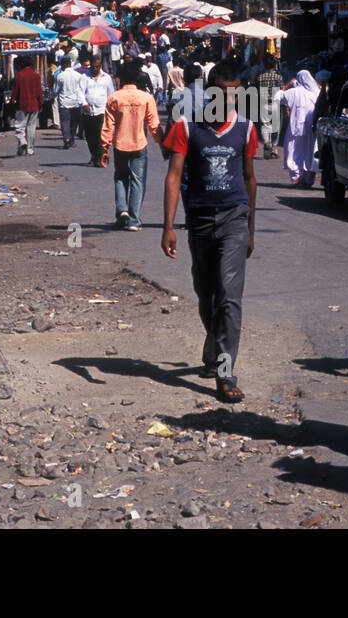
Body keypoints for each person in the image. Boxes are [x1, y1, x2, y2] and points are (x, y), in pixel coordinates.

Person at [161, 60, 258, 404]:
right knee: (207, 294)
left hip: (234, 216)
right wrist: (169, 226)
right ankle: (214, 343)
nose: (227, 101)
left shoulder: (246, 128)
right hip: (200, 219)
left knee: (230, 295)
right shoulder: (187, 127)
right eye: (221, 93)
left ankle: (225, 370)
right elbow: (174, 175)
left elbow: (249, 177)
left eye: (234, 95)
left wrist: (250, 228)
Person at [100, 60, 163, 230]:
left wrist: (104, 148)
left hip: (120, 144)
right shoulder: (146, 98)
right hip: (139, 144)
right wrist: (162, 145)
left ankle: (122, 209)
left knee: (120, 177)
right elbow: (154, 125)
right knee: (138, 181)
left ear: (120, 78)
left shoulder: (114, 98)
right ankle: (134, 220)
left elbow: (108, 125)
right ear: (137, 77)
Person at [278, 70, 320, 187]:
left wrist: (287, 85)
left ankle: (297, 177)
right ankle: (307, 178)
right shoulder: (316, 93)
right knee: (309, 151)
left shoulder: (294, 92)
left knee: (293, 151)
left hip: (295, 128)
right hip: (311, 128)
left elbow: (277, 97)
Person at [81, 55, 115, 167]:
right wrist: (84, 103)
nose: (94, 69)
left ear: (100, 66)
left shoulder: (107, 78)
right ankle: (94, 155)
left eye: (97, 67)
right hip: (88, 112)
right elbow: (80, 92)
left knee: (100, 135)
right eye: (93, 66)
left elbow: (111, 94)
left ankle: (100, 158)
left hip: (102, 111)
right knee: (90, 136)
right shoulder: (84, 77)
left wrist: (111, 109)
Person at [10, 56, 43, 156]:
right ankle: (30, 149)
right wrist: (41, 104)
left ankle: (22, 141)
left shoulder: (18, 76)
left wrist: (12, 102)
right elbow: (39, 93)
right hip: (34, 105)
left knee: (19, 127)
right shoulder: (36, 76)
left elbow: (14, 93)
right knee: (31, 128)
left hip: (22, 105)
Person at [254, 54, 284, 160]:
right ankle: (274, 149)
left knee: (265, 126)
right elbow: (282, 90)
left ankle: (266, 142)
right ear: (274, 66)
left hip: (263, 104)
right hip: (276, 104)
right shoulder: (278, 77)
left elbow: (256, 89)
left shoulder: (260, 77)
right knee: (276, 128)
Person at [54, 58, 86, 150]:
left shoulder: (60, 76)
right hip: (75, 102)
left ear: (63, 66)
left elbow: (56, 90)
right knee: (74, 123)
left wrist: (53, 96)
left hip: (64, 103)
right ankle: (71, 140)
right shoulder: (78, 75)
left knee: (65, 122)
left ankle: (66, 139)